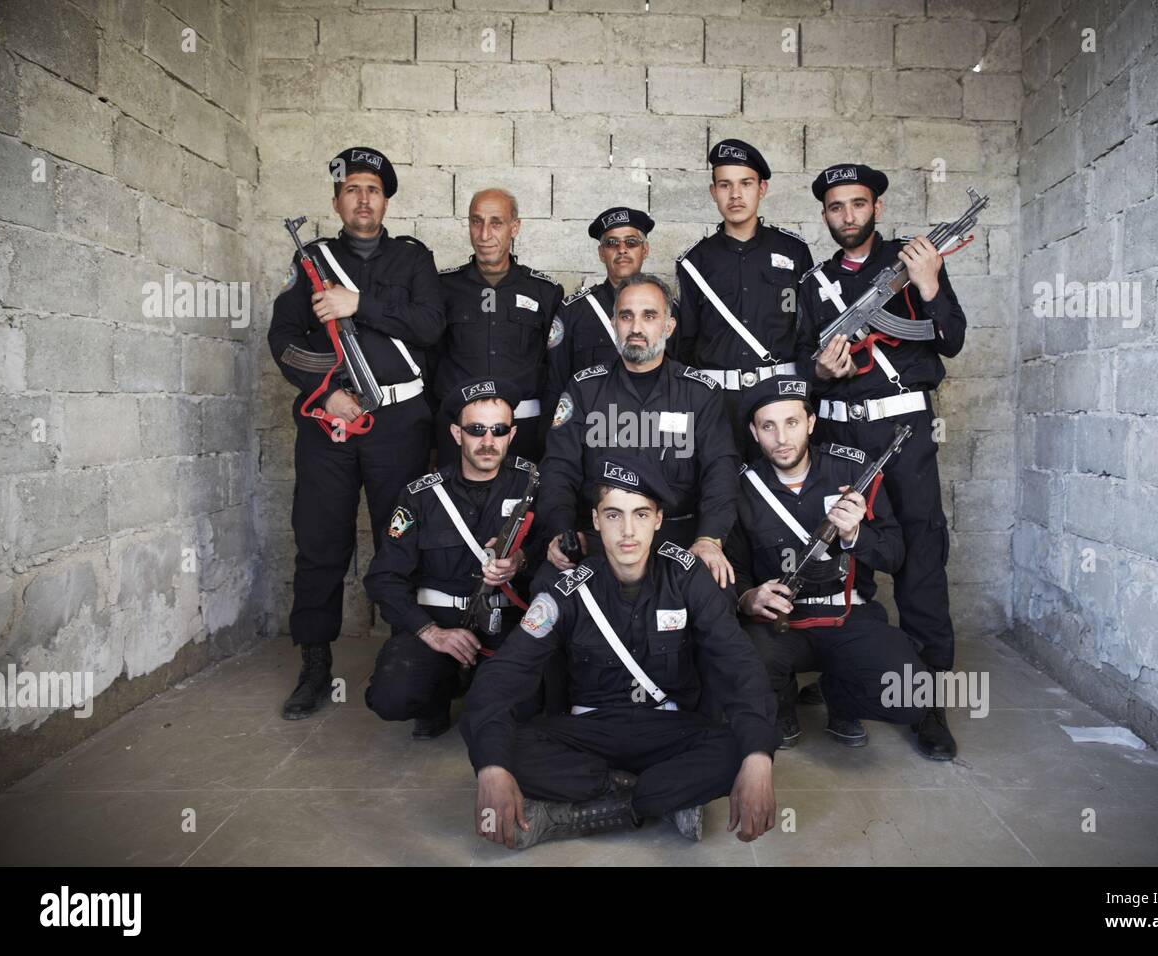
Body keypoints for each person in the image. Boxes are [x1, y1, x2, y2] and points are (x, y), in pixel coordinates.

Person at [460, 456, 779, 850]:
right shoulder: (567, 590)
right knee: (506, 747)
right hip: (589, 732)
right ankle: (658, 798)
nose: (628, 531)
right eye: (614, 515)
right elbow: (503, 675)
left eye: (641, 514)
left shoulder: (687, 577)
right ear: (595, 521)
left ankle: (591, 805)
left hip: (671, 728)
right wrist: (491, 767)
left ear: (658, 519)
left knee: (742, 745)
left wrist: (759, 757)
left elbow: (739, 663)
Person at [794, 163, 968, 760]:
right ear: (825, 215)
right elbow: (801, 368)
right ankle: (854, 679)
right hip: (841, 436)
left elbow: (951, 338)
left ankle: (929, 703)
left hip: (907, 432)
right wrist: (821, 371)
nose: (848, 216)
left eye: (858, 204)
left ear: (877, 208)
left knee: (920, 556)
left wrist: (929, 284)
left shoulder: (913, 262)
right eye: (836, 206)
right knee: (849, 556)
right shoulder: (814, 284)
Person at [267, 145, 444, 721]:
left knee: (405, 540)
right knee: (320, 543)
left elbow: (430, 325)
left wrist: (359, 303)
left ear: (386, 198)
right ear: (337, 200)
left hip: (400, 423)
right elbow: (286, 338)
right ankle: (315, 665)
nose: (362, 198)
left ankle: (411, 662)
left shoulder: (414, 258)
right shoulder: (312, 259)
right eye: (351, 189)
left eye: (372, 188)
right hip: (331, 424)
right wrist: (326, 396)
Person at [727, 376, 932, 750]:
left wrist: (856, 534)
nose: (781, 438)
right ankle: (783, 702)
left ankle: (839, 695)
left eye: (791, 422)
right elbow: (734, 567)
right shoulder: (743, 487)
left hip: (849, 616)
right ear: (754, 433)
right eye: (768, 426)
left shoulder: (853, 471)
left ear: (810, 423)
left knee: (911, 696)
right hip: (778, 625)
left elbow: (895, 554)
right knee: (740, 666)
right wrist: (748, 597)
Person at [362, 379, 543, 740]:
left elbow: (559, 548)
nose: (488, 441)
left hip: (507, 624)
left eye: (498, 429)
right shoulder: (421, 496)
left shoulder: (533, 484)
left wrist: (522, 559)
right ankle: (437, 696)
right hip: (439, 621)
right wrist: (431, 633)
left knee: (529, 713)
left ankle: (480, 687)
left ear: (512, 433)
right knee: (392, 696)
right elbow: (383, 578)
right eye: (476, 430)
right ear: (456, 433)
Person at [537, 273, 740, 589]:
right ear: (613, 323)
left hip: (677, 538)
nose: (636, 328)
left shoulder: (700, 393)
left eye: (649, 316)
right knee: (547, 590)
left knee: (717, 593)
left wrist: (709, 538)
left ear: (668, 327)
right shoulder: (584, 389)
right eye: (626, 316)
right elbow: (559, 468)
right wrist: (562, 533)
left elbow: (721, 470)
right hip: (602, 538)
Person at [675, 138, 814, 455]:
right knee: (721, 488)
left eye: (745, 184)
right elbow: (686, 342)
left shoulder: (793, 252)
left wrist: (805, 395)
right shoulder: (695, 262)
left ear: (762, 188)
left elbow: (805, 330)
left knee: (778, 490)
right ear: (714, 193)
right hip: (717, 403)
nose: (735, 195)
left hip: (780, 401)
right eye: (725, 185)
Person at [431, 188, 563, 464]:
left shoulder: (544, 292)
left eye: (496, 223)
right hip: (458, 432)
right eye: (476, 221)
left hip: (523, 430)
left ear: (514, 227)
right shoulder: (442, 287)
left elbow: (555, 369)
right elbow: (430, 361)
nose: (484, 234)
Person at [546, 206, 670, 403]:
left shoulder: (665, 309)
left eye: (631, 242)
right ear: (601, 253)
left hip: (652, 424)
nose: (622, 249)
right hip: (593, 426)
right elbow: (555, 386)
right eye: (612, 243)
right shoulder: (573, 311)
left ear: (644, 250)